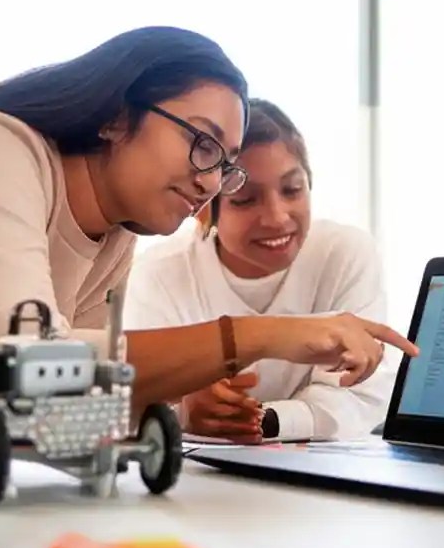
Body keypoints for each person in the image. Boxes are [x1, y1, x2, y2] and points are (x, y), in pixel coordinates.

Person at [0, 27, 415, 453]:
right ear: (118, 114)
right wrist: (256, 335)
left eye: (224, 163)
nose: (213, 181)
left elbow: (57, 414)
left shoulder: (113, 240)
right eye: (204, 145)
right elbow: (20, 361)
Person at [123, 99, 395, 443]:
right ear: (205, 208)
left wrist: (262, 421)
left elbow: (360, 396)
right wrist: (181, 413)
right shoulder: (160, 274)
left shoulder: (344, 253)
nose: (277, 217)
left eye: (292, 189)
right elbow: (132, 398)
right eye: (245, 199)